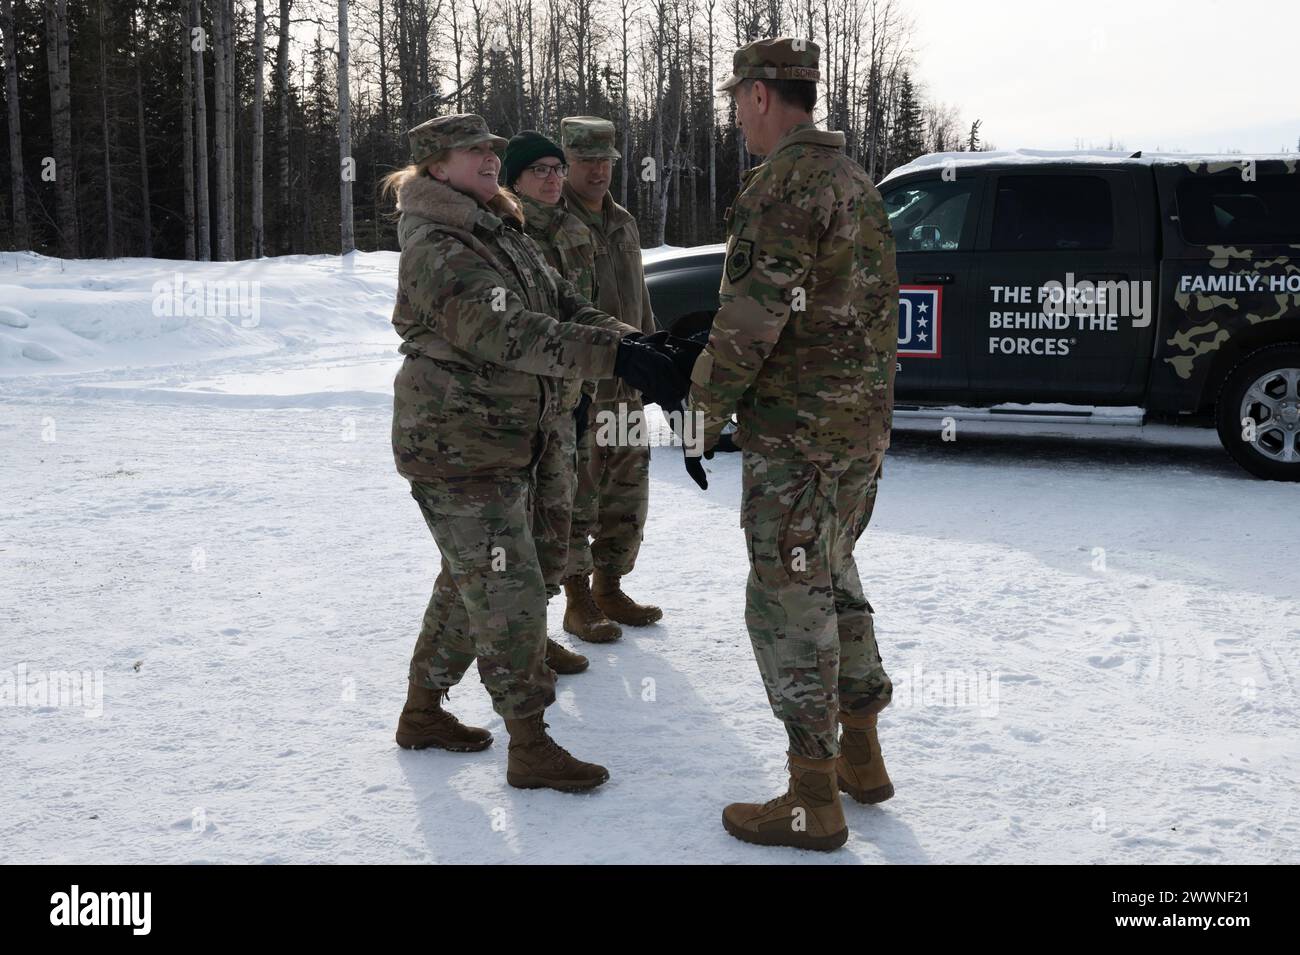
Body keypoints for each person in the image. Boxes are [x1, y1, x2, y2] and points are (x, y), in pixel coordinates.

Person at [387, 114, 686, 792]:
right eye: (474, 153)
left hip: (521, 432)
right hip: (459, 443)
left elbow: (562, 304)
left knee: (478, 580)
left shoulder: (499, 227)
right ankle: (530, 742)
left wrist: (638, 344)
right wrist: (614, 353)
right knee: (508, 590)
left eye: (493, 150)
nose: (491, 160)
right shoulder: (438, 241)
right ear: (437, 167)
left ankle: (423, 711)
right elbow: (505, 332)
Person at [687, 39, 901, 849]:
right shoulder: (855, 180)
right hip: (856, 434)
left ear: (759, 96)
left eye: (738, 98)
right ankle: (863, 757)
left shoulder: (784, 185)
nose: (737, 114)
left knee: (788, 598)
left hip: (800, 439)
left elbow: (749, 324)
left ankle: (813, 796)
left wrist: (701, 413)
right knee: (834, 575)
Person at [559, 116, 662, 644]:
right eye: (586, 162)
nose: (598, 171)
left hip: (625, 385)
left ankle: (609, 584)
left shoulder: (622, 221)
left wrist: (655, 356)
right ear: (567, 162)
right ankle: (576, 598)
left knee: (627, 491)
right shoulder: (551, 224)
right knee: (579, 493)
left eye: (605, 162)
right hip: (581, 389)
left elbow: (638, 297)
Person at [502, 130, 599, 676]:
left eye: (558, 169)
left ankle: (548, 626)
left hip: (570, 392)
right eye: (539, 170)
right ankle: (521, 643)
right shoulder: (509, 234)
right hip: (526, 402)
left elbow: (583, 304)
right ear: (515, 179)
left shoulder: (574, 228)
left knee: (563, 516)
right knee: (524, 528)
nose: (553, 178)